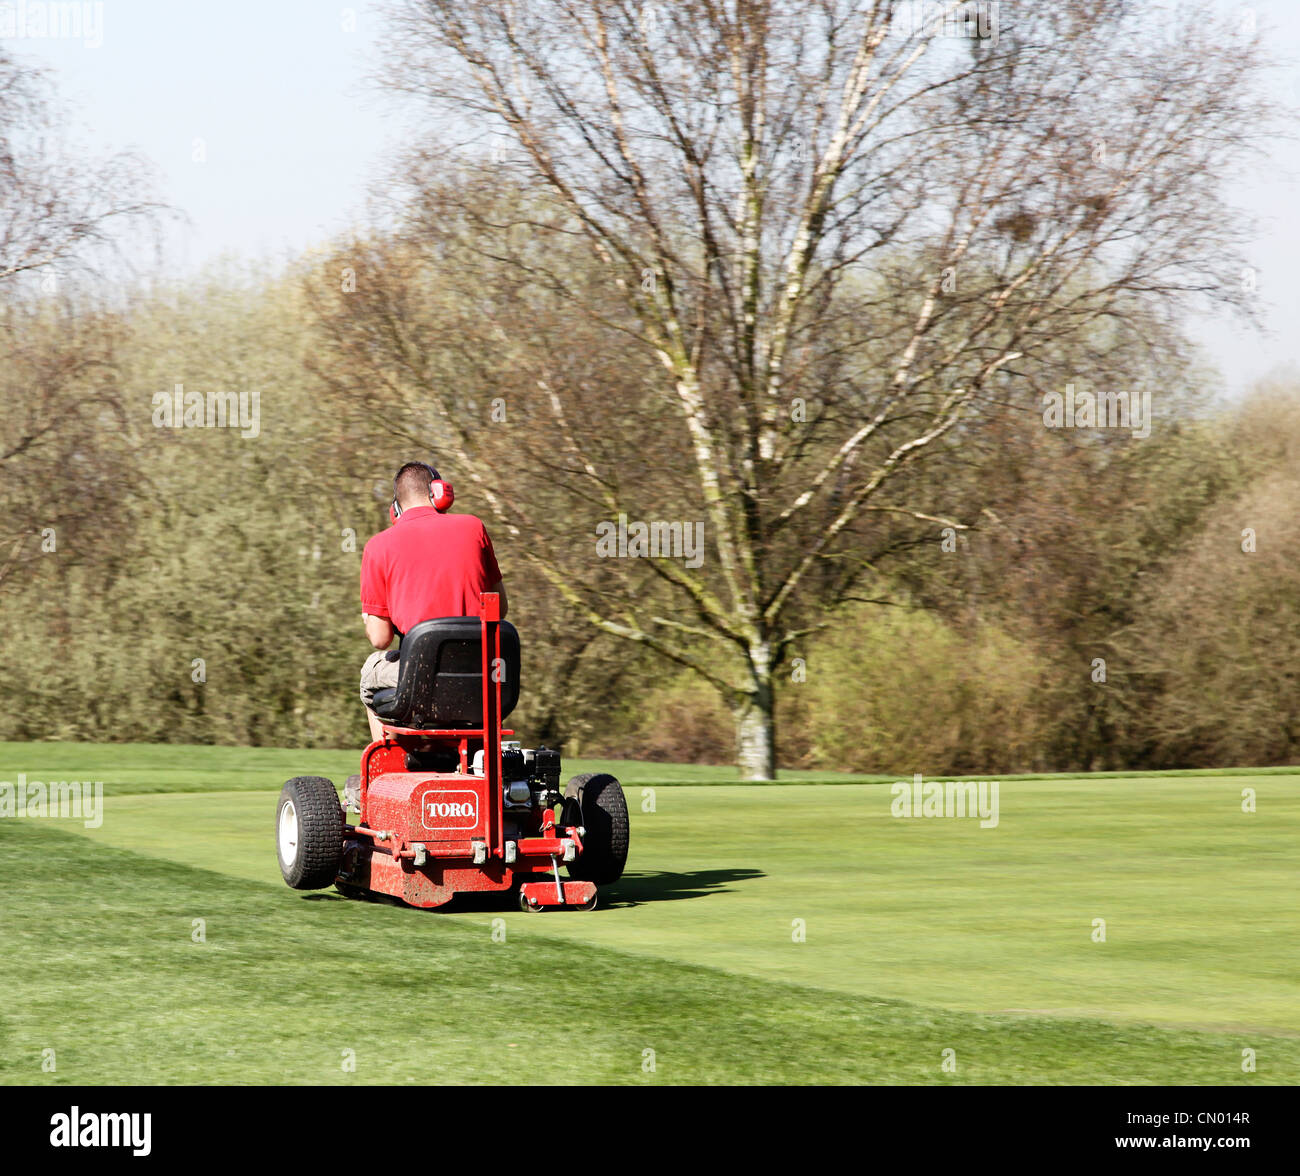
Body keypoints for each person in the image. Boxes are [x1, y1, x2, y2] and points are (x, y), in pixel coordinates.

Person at [350, 462, 507, 807]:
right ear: (440, 493)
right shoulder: (474, 528)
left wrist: (369, 614)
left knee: (370, 671)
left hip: (419, 685)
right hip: (485, 685)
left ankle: (386, 779)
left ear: (396, 508)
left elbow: (380, 639)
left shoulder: (378, 547)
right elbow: (501, 607)